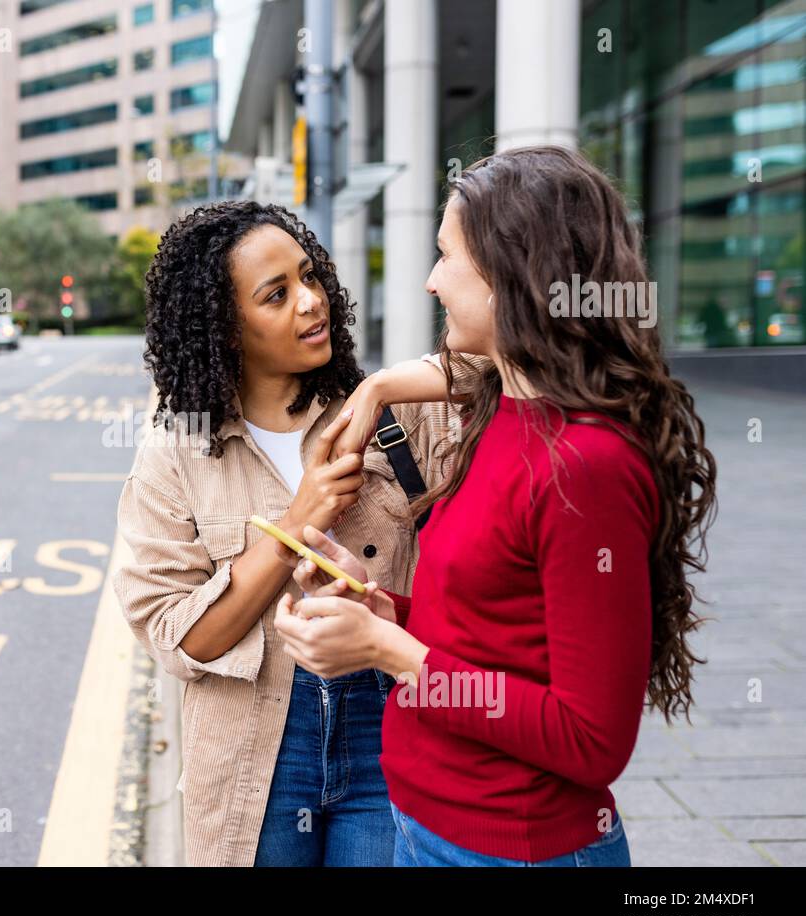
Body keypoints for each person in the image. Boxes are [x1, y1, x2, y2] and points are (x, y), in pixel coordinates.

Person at [274, 146, 717, 867]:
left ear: (515, 272)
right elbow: (492, 634)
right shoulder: (500, 415)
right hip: (427, 825)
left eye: (447, 258)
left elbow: (591, 736)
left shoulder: (586, 467)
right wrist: (383, 611)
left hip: (513, 850)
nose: (429, 282)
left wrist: (389, 652)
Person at [112, 200, 474, 866]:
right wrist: (295, 525)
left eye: (310, 277)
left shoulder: (393, 415)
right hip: (255, 745)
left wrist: (384, 386)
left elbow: (510, 367)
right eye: (277, 295)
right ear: (224, 327)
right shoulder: (177, 453)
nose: (311, 303)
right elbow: (179, 634)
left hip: (389, 726)